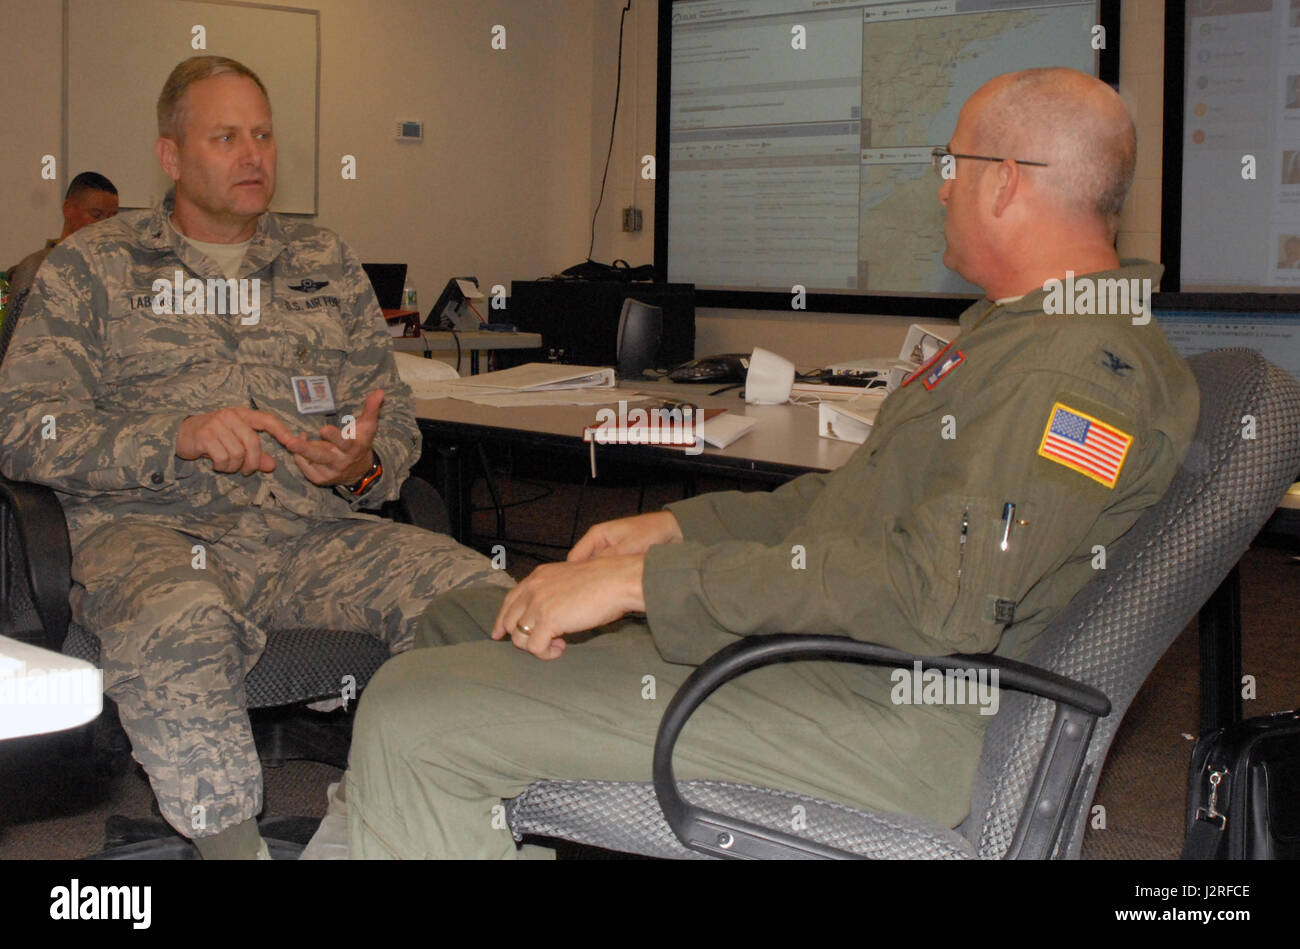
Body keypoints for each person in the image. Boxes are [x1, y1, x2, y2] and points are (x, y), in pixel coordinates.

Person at [322, 67, 1199, 860]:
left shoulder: (1068, 368)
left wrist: (647, 587)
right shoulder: (1018, 335)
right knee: (473, 620)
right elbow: (845, 511)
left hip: (900, 715)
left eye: (954, 163)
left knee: (412, 711)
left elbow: (938, 599)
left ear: (1006, 183)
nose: (941, 186)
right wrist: (673, 526)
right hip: (851, 662)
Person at [0, 56, 509, 860]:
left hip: (310, 537)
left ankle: (376, 820)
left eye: (264, 134)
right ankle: (234, 846)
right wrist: (174, 435)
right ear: (170, 156)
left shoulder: (324, 264)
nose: (253, 155)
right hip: (150, 535)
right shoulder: (91, 268)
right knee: (183, 625)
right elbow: (24, 426)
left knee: (486, 601)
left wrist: (361, 467)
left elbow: (393, 420)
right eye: (227, 136)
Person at [5, 172, 119, 298]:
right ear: (68, 208)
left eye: (112, 217)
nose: (105, 225)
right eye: (96, 215)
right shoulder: (34, 270)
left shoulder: (117, 271)